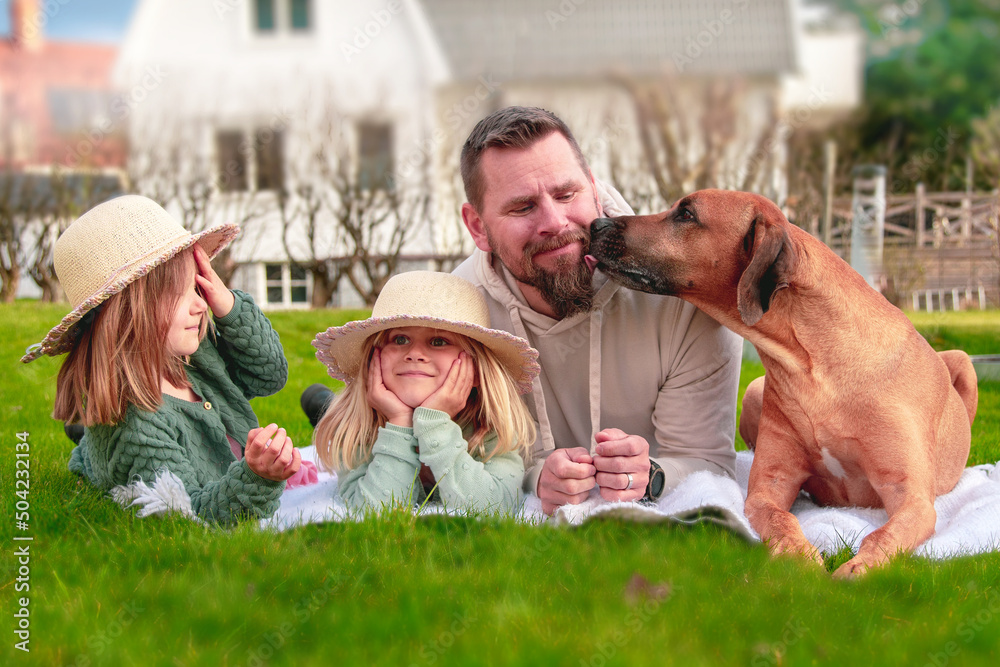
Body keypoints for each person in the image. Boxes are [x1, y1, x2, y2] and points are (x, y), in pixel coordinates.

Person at [453, 106, 743, 515]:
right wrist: (536, 476)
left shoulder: (682, 296)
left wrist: (652, 474)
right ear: (478, 226)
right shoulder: (458, 316)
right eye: (523, 207)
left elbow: (708, 462)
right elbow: (452, 456)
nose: (554, 222)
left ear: (593, 186)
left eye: (566, 194)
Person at [22, 195, 303, 524]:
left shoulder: (192, 356)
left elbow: (269, 374)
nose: (201, 306)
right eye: (180, 292)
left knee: (100, 444)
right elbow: (194, 516)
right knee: (121, 452)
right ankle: (91, 445)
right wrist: (257, 477)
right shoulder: (137, 429)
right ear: (129, 313)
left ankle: (84, 439)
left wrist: (227, 303)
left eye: (198, 289)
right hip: (140, 445)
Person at [311, 271, 539, 513]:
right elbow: (370, 513)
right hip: (365, 415)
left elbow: (493, 509)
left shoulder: (492, 432)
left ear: (475, 369)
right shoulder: (358, 428)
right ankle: (317, 400)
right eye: (399, 339)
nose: (415, 353)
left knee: (321, 401)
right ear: (372, 359)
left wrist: (435, 424)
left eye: (438, 342)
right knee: (323, 405)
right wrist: (399, 423)